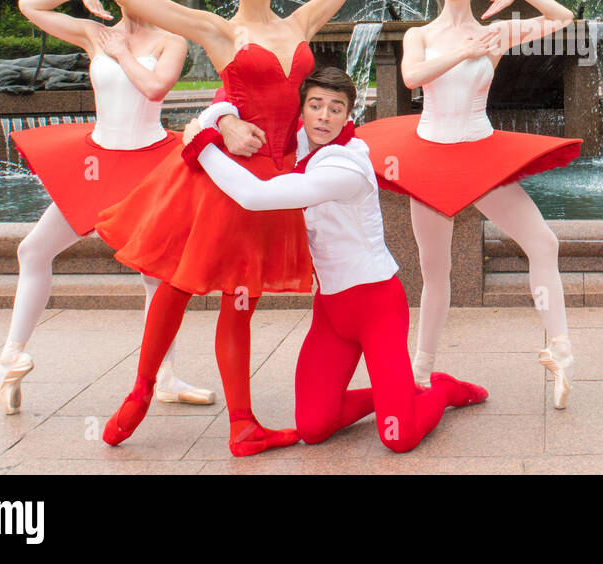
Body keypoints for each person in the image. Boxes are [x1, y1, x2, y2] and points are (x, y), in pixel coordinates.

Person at [94, 0, 380, 456]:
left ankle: (242, 426)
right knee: (178, 282)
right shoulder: (218, 29)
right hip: (223, 174)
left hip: (272, 178)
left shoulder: (300, 24)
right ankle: (140, 392)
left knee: (239, 300)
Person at [183, 65, 487, 451]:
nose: (324, 116)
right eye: (315, 105)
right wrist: (221, 121)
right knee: (314, 428)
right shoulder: (301, 142)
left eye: (335, 108)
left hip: (377, 307)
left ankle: (442, 390)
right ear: (302, 110)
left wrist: (202, 147)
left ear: (348, 116)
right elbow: (232, 101)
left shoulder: (346, 166)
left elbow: (255, 196)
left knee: (399, 438)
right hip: (330, 310)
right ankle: (394, 396)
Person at [355, 0, 582, 408]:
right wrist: (463, 51)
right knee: (436, 272)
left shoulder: (495, 33)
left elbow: (563, 18)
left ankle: (560, 349)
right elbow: (412, 78)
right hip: (431, 158)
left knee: (544, 243)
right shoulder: (419, 34)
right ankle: (421, 369)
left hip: (481, 153)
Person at [1, 0, 211, 413]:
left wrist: (121, 54)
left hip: (149, 163)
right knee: (32, 251)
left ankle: (164, 376)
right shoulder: (94, 33)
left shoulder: (172, 40)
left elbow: (155, 89)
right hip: (96, 161)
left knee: (157, 275)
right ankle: (10, 358)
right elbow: (30, 7)